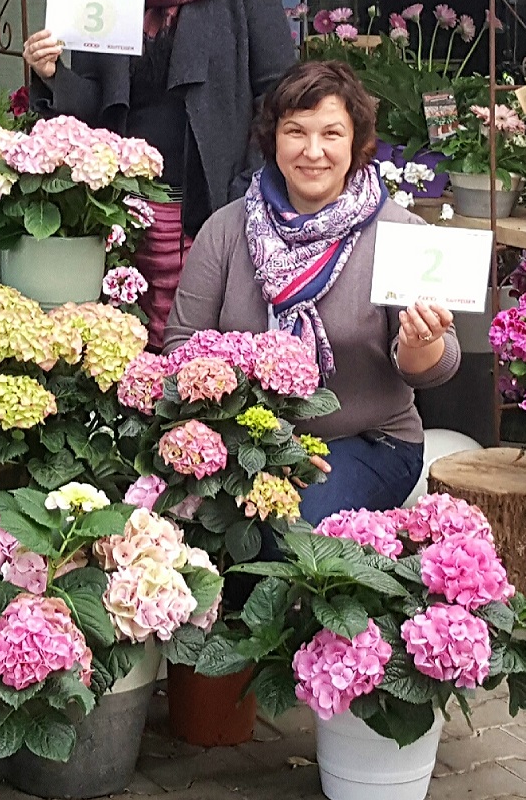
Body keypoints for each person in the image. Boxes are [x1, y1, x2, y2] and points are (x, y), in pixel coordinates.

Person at [23, 0, 294, 345]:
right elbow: (91, 106)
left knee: (204, 340)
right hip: (126, 208)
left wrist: (250, 183)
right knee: (128, 338)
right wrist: (51, 72)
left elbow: (280, 93)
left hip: (216, 203)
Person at [165, 60, 460, 522]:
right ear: (273, 139)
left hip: (369, 442)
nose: (313, 151)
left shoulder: (400, 233)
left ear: (357, 142)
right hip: (244, 442)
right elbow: (182, 344)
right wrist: (261, 447)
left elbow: (435, 369)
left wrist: (421, 341)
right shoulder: (226, 229)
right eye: (296, 132)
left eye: (332, 133)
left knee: (286, 523)